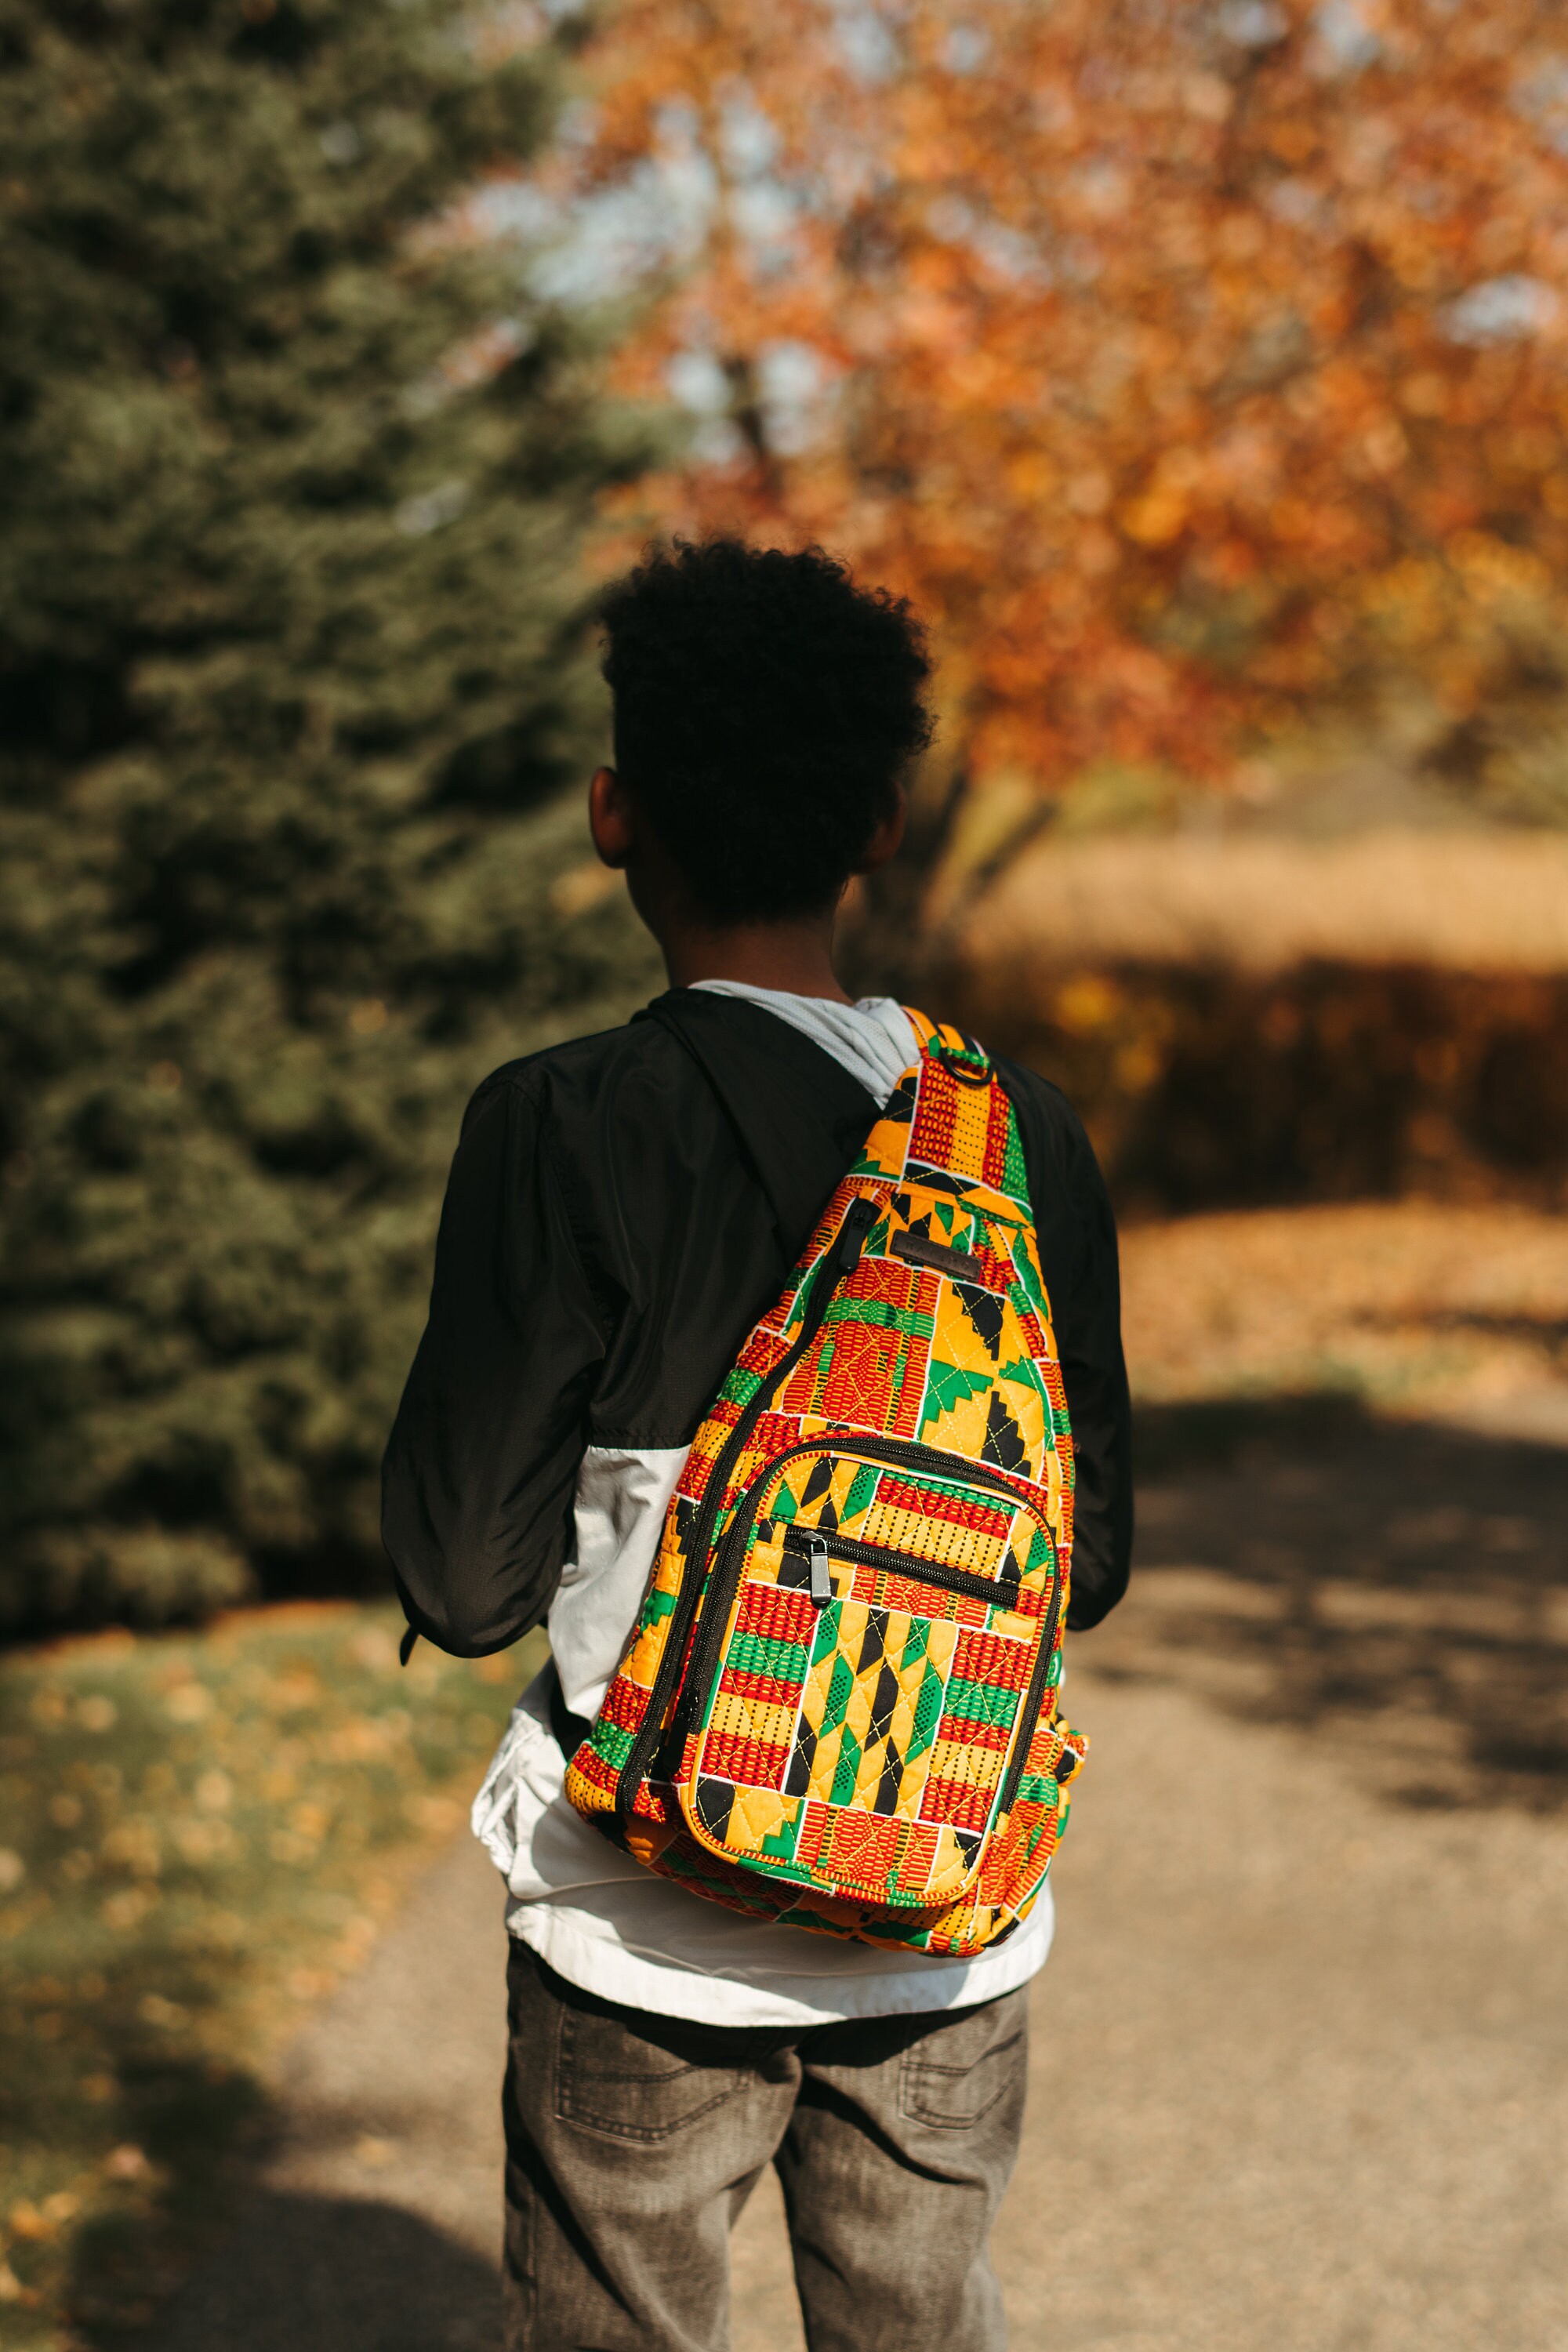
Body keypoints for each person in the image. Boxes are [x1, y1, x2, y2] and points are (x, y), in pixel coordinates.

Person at [382, 538, 1132, 2352]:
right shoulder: (1014, 1133)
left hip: (640, 1930)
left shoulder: (561, 1125)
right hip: (945, 1908)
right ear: (882, 821)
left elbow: (466, 1580)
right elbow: (1082, 1564)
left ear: (612, 813)